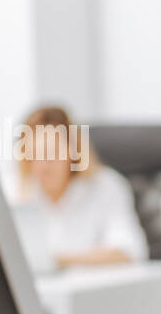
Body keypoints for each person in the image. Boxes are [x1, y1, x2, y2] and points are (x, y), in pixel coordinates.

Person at [12, 105, 148, 268]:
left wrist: (57, 262)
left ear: (73, 152)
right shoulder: (14, 191)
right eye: (34, 154)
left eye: (51, 153)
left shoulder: (106, 186)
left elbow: (131, 252)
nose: (43, 165)